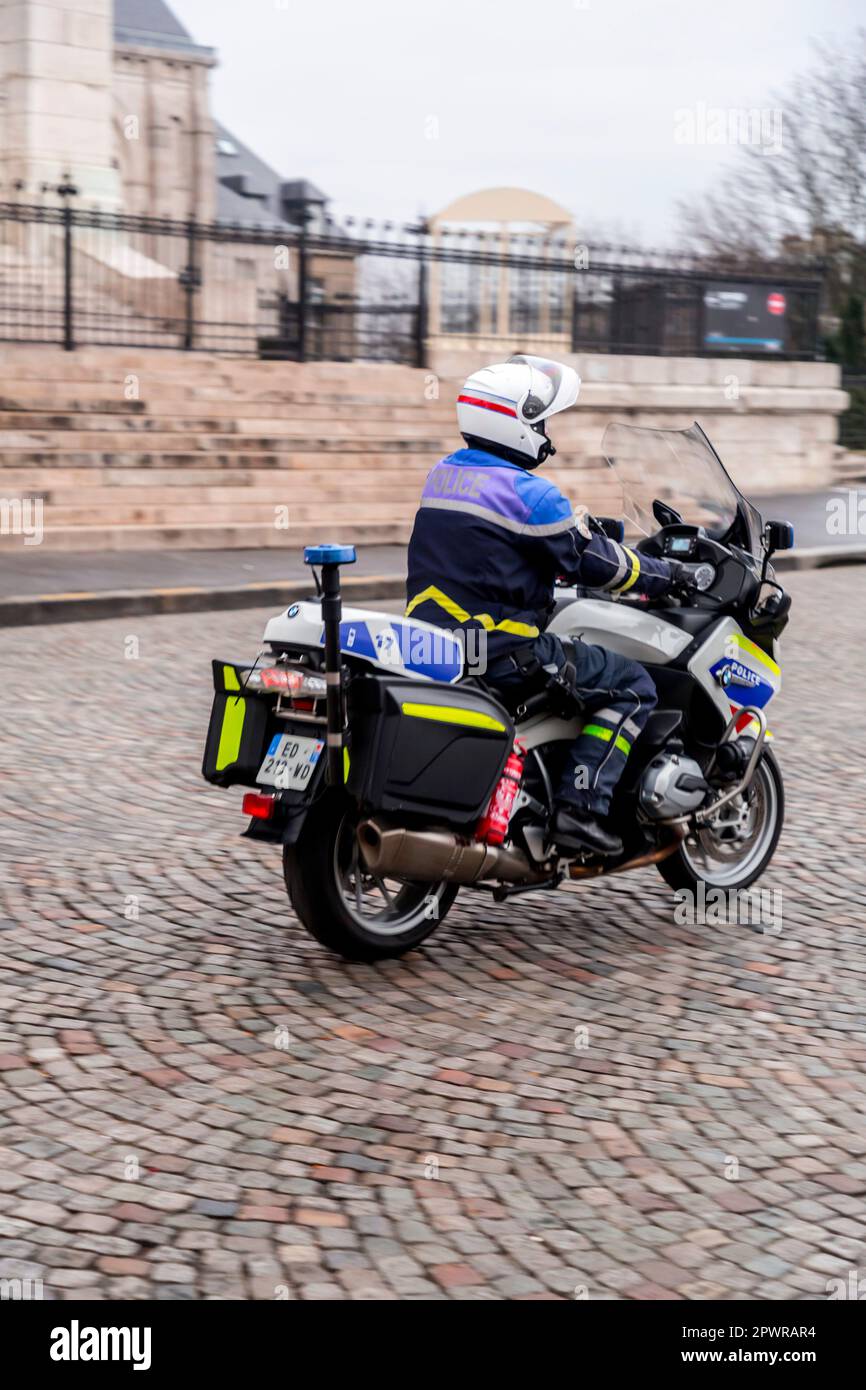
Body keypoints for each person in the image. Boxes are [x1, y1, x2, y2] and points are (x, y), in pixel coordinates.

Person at [405, 354, 685, 858]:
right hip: (505, 652)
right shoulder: (532, 495)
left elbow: (488, 553)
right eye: (540, 421)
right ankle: (581, 808)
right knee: (634, 687)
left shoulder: (441, 476)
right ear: (517, 421)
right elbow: (596, 564)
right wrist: (667, 575)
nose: (546, 431)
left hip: (435, 645)